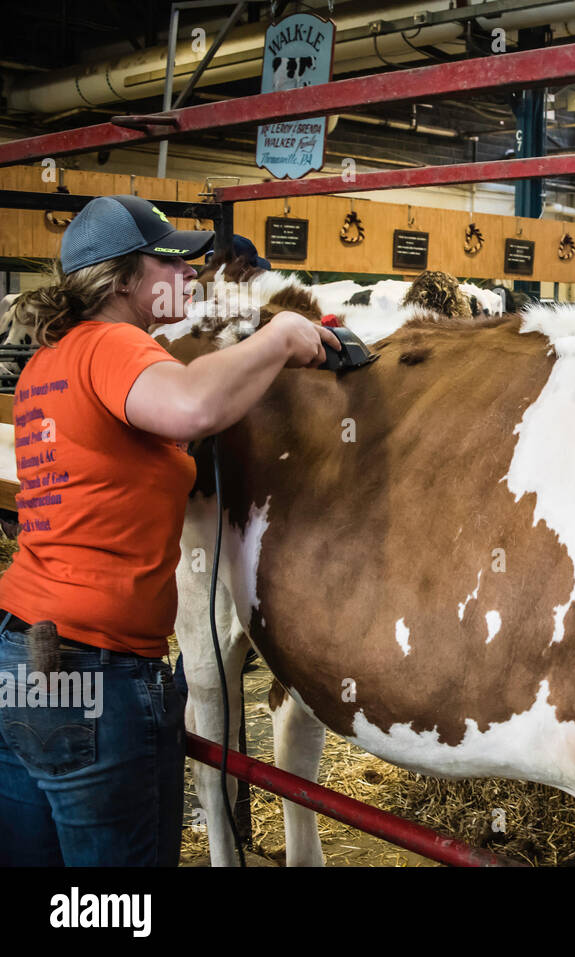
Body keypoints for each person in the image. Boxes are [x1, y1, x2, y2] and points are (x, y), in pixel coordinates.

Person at [0, 194, 338, 866]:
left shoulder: (49, 361)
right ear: (123, 279)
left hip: (22, 660)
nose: (191, 272)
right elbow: (192, 404)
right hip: (96, 670)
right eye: (171, 260)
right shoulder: (110, 343)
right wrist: (279, 336)